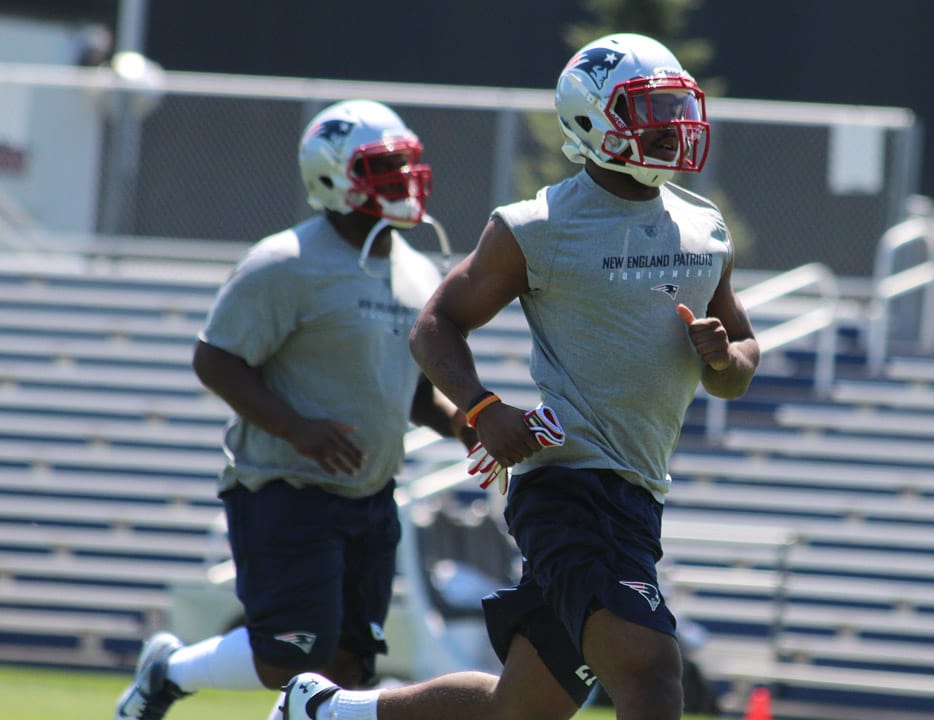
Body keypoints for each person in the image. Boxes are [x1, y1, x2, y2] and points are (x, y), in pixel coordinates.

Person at [279, 31, 760, 720]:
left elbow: (739, 361)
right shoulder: (539, 224)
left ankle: (325, 712)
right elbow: (434, 325)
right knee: (652, 669)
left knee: (519, 711)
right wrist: (480, 408)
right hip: (569, 489)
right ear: (593, 120)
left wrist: (724, 359)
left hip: (637, 495)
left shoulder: (704, 226)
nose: (671, 125)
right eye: (648, 107)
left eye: (674, 105)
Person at [114, 98, 474, 720]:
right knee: (289, 652)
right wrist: (297, 429)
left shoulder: (417, 272)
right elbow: (216, 359)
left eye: (406, 164)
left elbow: (410, 390)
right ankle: (168, 671)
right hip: (286, 484)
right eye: (383, 166)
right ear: (332, 176)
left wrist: (466, 422)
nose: (404, 179)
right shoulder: (285, 261)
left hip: (370, 494)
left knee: (347, 669)